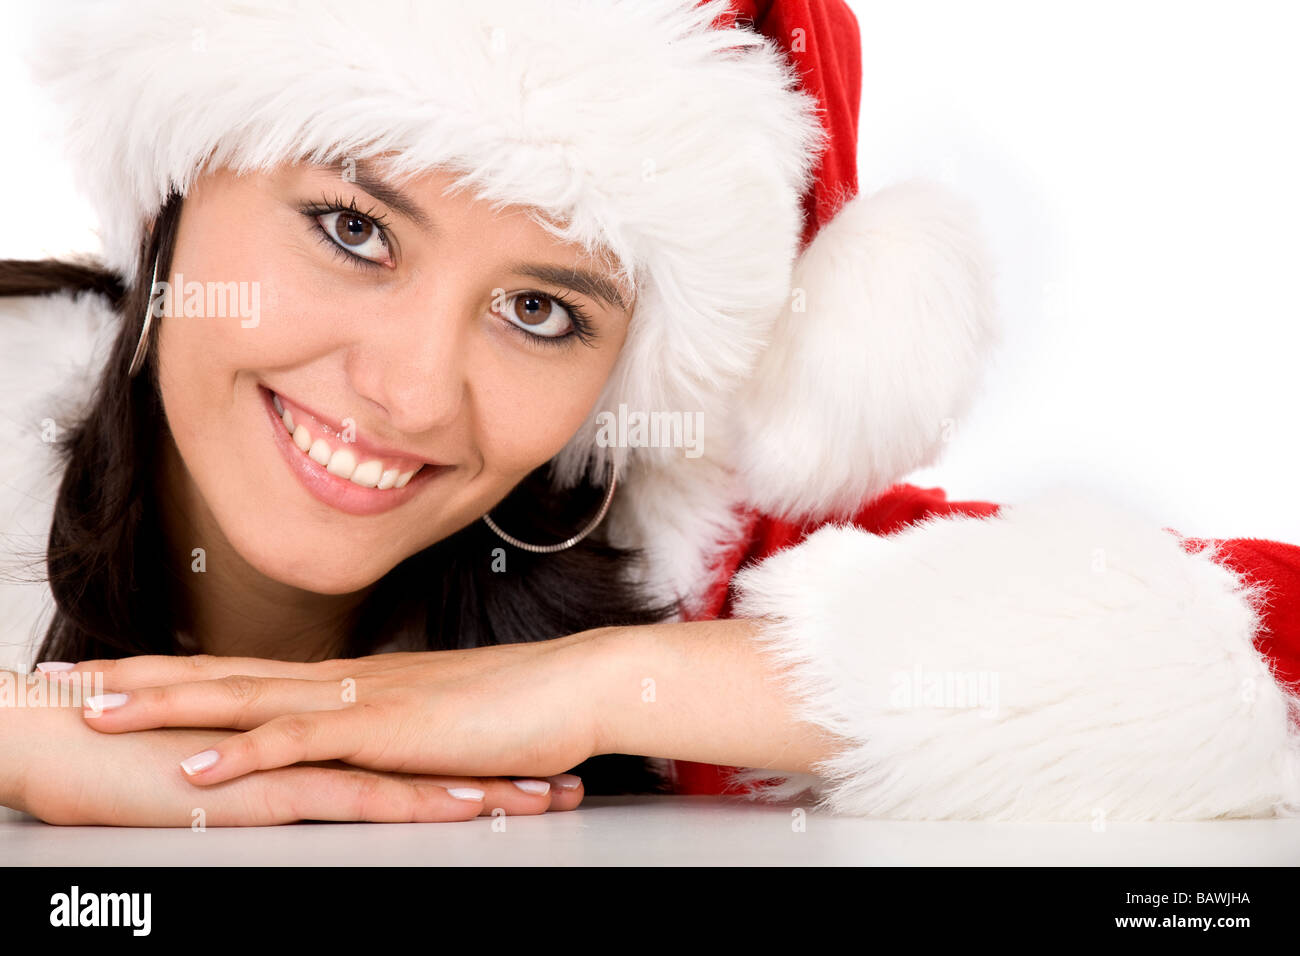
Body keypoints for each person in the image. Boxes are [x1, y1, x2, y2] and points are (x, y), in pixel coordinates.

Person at [1, 0, 1297, 827]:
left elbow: (1254, 639)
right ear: (175, 186)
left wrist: (593, 686)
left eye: (543, 313)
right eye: (354, 228)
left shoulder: (706, 584)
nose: (408, 391)